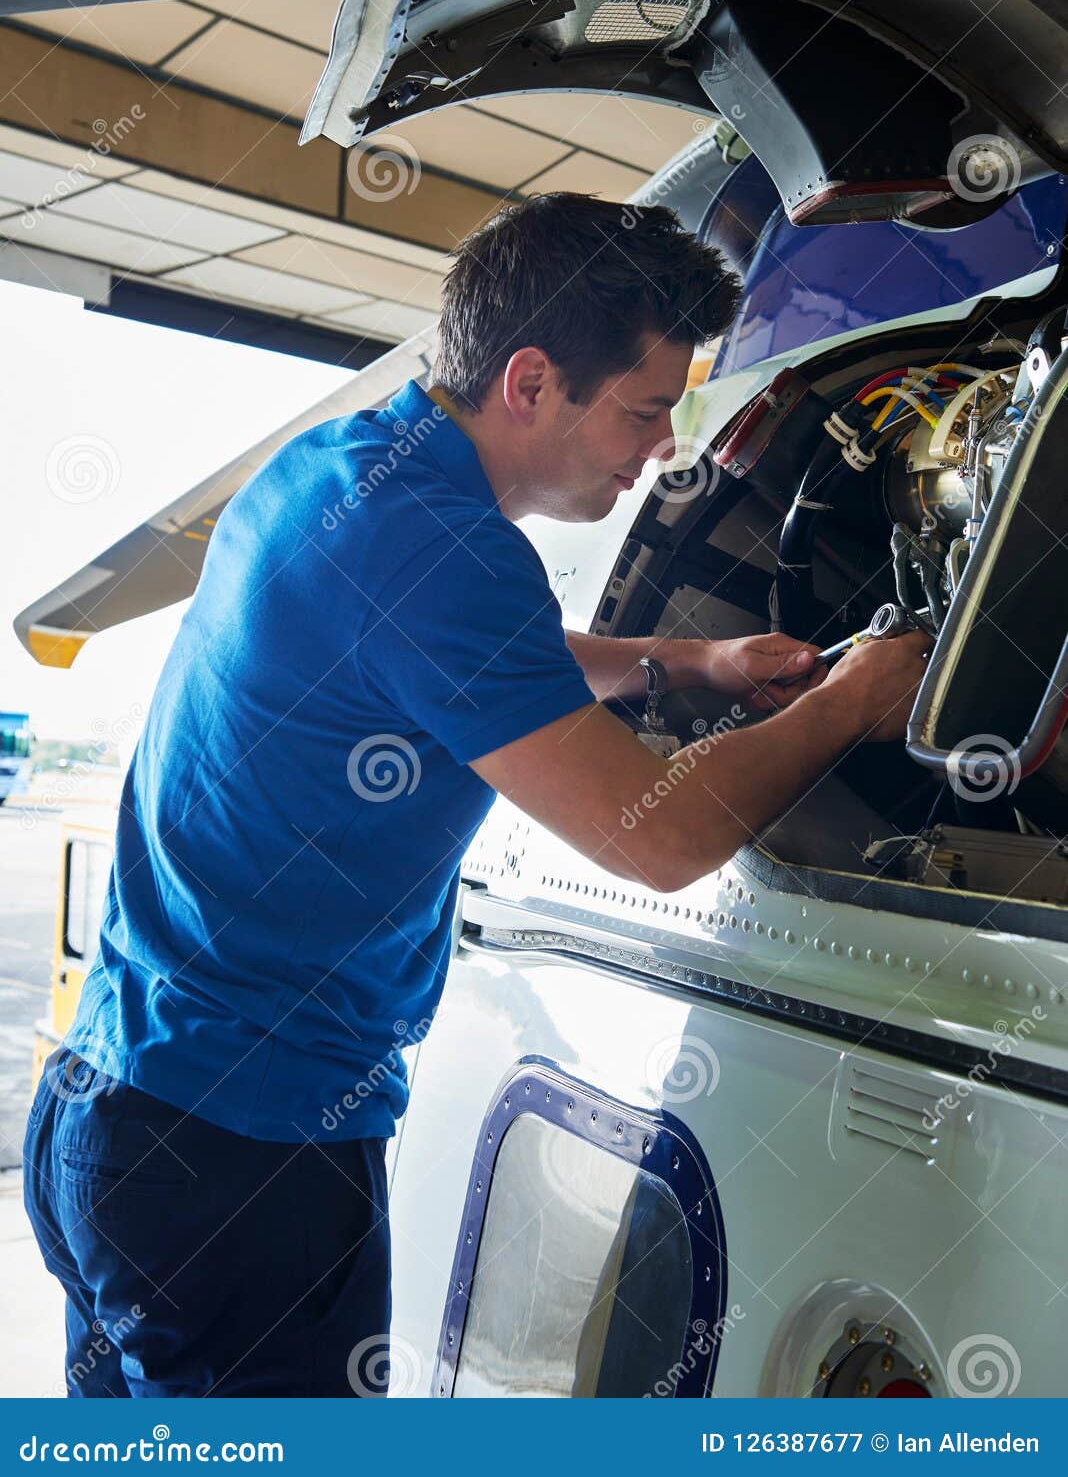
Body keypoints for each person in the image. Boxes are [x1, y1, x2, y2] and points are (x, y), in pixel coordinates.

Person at [24, 193, 927, 1396]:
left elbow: (463, 657)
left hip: (114, 1116)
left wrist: (682, 660)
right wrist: (856, 700)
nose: (663, 447)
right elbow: (658, 838)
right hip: (241, 1164)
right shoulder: (447, 551)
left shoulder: (343, 471)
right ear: (533, 380)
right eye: (648, 409)